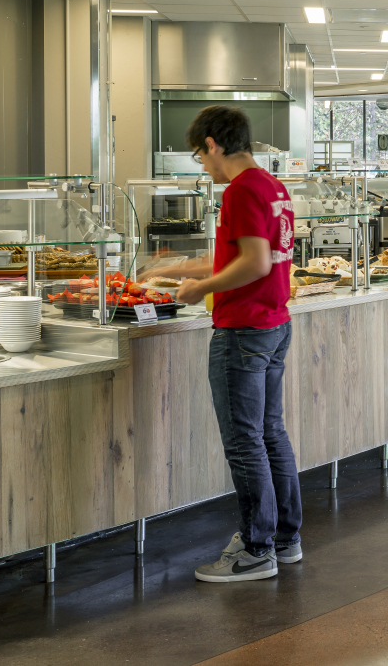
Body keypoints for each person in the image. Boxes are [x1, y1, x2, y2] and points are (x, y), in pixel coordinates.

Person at [155, 106, 302, 583]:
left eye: (200, 156)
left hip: (242, 328)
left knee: (245, 443)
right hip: (275, 324)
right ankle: (285, 538)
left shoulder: (239, 189)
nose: (204, 166)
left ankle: (256, 550)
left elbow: (255, 263)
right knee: (270, 434)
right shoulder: (272, 185)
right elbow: (239, 255)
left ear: (213, 145)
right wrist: (175, 271)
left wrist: (200, 290)